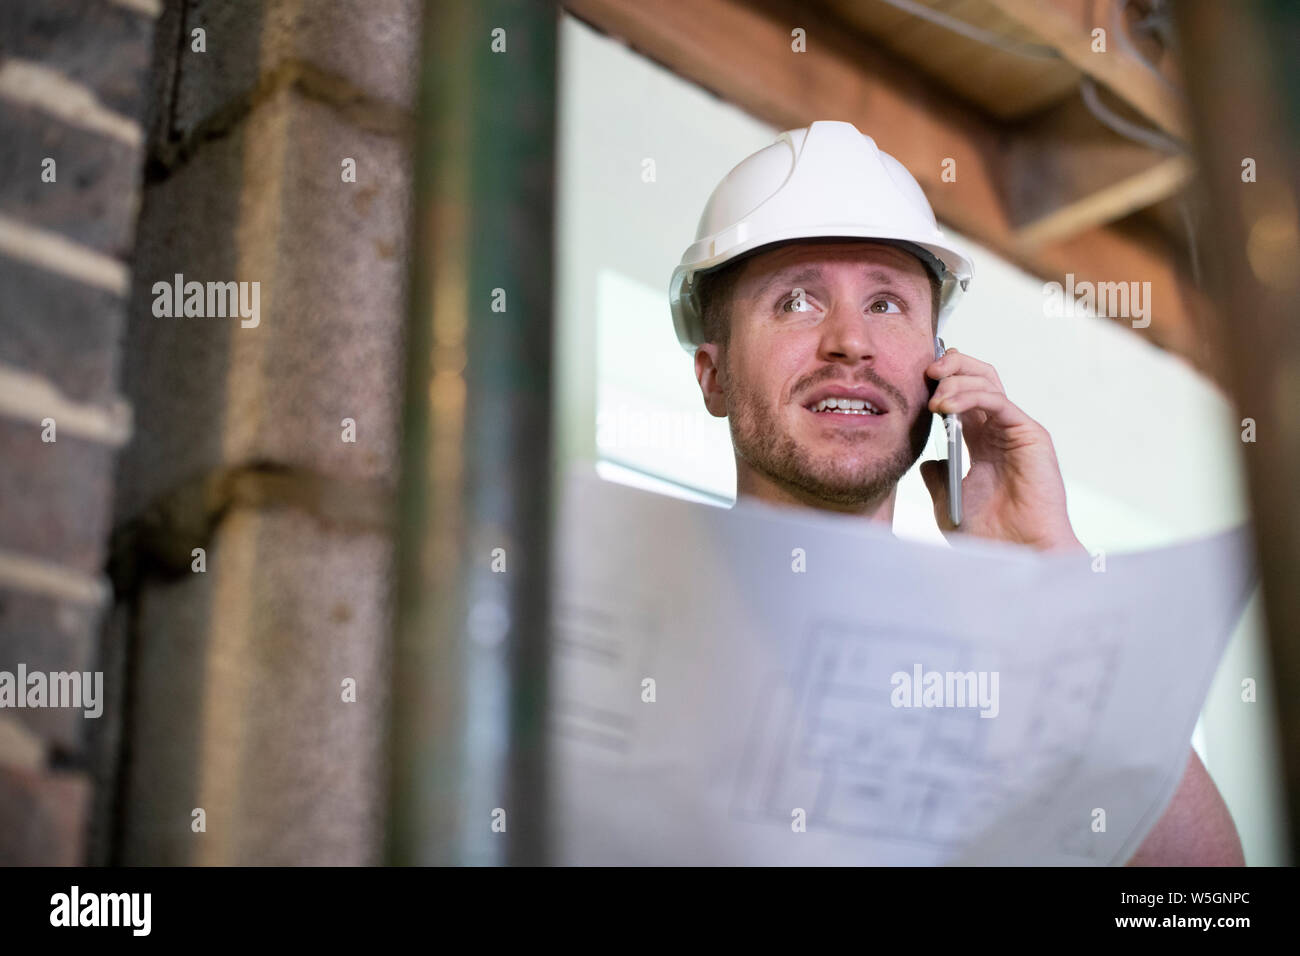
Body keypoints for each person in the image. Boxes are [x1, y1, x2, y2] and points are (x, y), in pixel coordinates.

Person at [669, 120, 1243, 866]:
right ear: (713, 376)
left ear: (938, 367)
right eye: (796, 302)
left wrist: (1050, 577)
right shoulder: (622, 632)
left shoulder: (1008, 670)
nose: (851, 341)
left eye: (886, 304)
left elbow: (1208, 907)